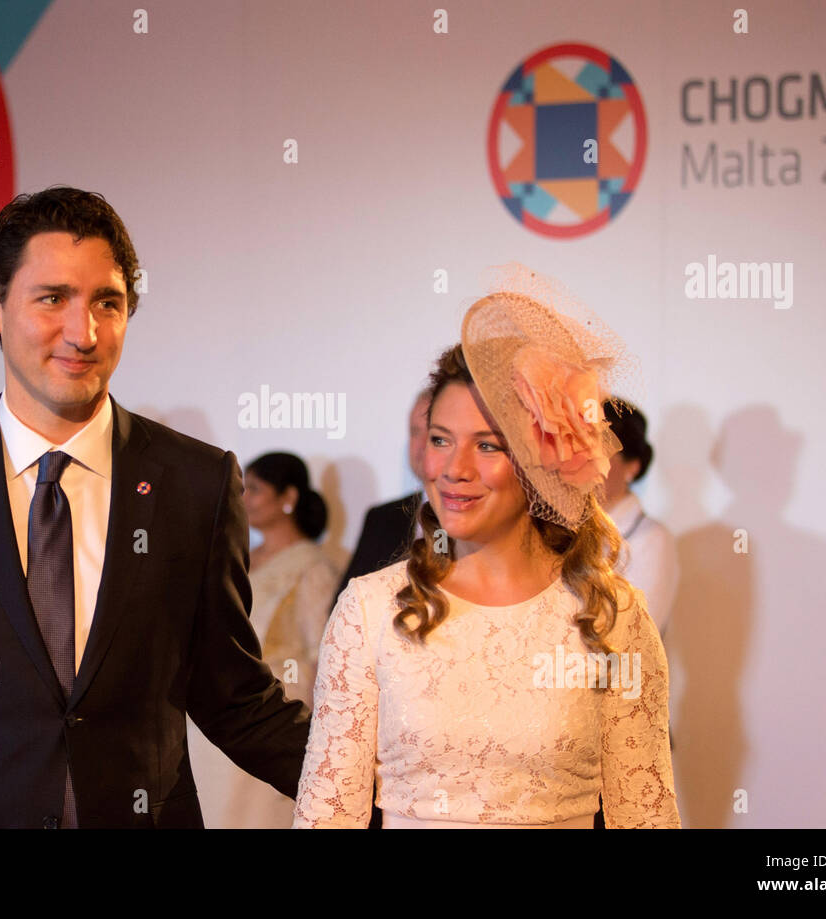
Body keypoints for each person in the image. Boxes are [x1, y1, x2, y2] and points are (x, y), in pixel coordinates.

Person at [0, 186, 309, 828]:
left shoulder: (198, 483)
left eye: (108, 302)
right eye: (53, 299)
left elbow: (236, 698)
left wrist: (399, 794)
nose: (84, 332)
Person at [293, 266, 679, 828]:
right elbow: (326, 818)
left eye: (488, 446)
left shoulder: (611, 617)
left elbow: (647, 819)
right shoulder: (370, 610)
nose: (454, 470)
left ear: (542, 458)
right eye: (440, 440)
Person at [188, 452, 341, 827]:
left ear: (287, 497)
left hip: (275, 705)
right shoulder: (236, 554)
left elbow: (322, 654)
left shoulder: (312, 566)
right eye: (243, 489)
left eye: (254, 489)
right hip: (219, 706)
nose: (245, 500)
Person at [337, 391, 429, 594]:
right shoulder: (382, 518)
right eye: (415, 432)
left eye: (434, 434)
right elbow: (347, 597)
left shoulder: (467, 513)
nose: (421, 446)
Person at [600, 398, 678, 636]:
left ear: (632, 466)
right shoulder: (556, 528)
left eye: (601, 452)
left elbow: (637, 637)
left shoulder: (651, 539)